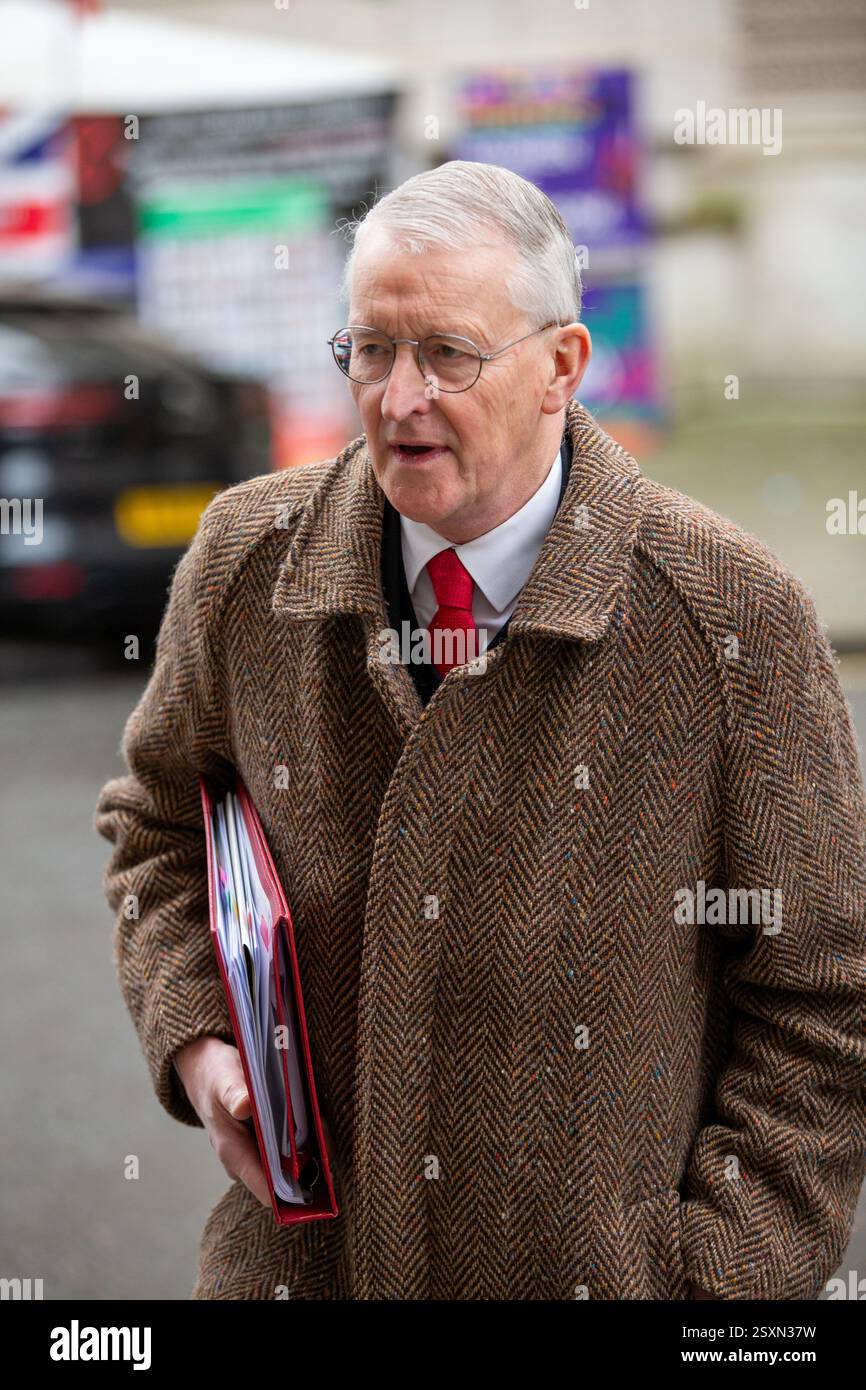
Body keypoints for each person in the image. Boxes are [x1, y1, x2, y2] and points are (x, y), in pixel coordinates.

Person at [94, 160, 866, 1301]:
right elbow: (156, 825)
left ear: (560, 366)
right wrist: (202, 1040)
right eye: (368, 349)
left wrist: (712, 1291)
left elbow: (823, 1000)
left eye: (446, 354)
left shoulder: (729, 618)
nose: (398, 397)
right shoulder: (242, 564)